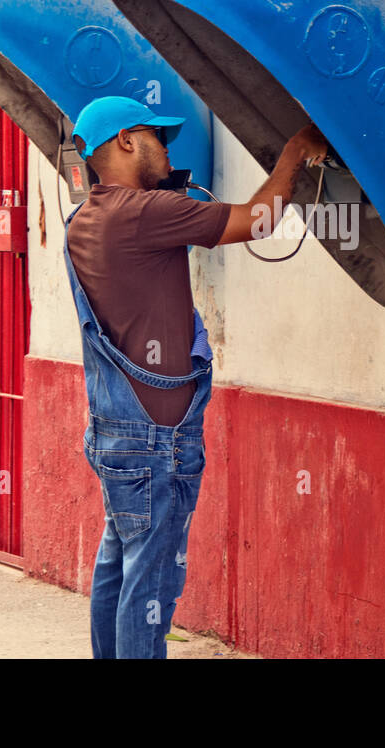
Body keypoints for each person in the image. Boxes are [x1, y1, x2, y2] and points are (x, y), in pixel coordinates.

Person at [64, 94, 326, 658]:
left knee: (118, 564)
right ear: (127, 141)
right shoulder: (142, 213)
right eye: (158, 137)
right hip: (160, 439)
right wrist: (296, 151)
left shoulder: (85, 218)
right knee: (150, 585)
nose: (167, 147)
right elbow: (258, 220)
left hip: (117, 432)